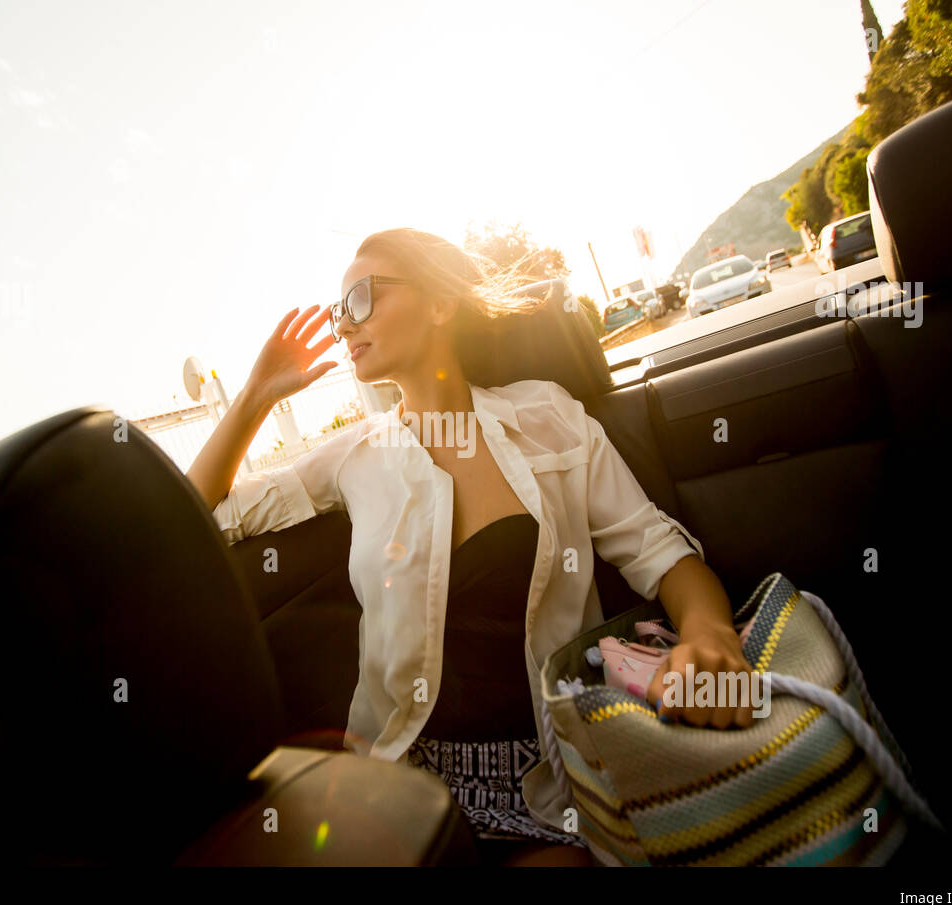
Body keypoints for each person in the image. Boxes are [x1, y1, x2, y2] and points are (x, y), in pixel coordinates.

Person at [187, 228, 756, 866]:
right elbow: (197, 519)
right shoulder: (354, 454)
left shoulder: (548, 416)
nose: (344, 326)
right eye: (337, 310)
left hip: (550, 774)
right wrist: (256, 397)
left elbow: (655, 549)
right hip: (395, 782)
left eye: (361, 299)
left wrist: (709, 633)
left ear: (439, 304)